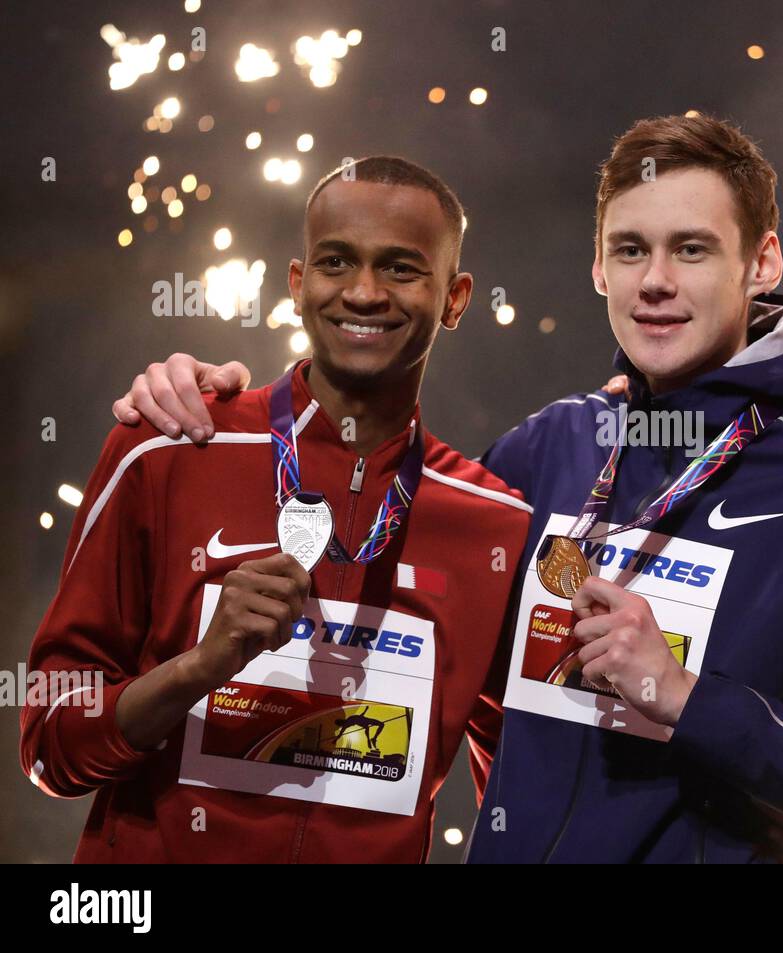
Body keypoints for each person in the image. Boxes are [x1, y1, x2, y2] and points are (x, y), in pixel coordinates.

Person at [109, 115, 783, 863]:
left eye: (692, 248)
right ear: (598, 267)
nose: (656, 280)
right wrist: (217, 408)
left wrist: (684, 699)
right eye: (630, 249)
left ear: (763, 260)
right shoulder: (545, 449)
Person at [21, 156, 532, 862]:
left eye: (402, 269)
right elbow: (50, 746)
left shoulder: (494, 524)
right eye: (336, 262)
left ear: (455, 297)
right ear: (297, 285)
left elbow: (539, 791)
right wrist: (197, 668)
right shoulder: (169, 446)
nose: (363, 292)